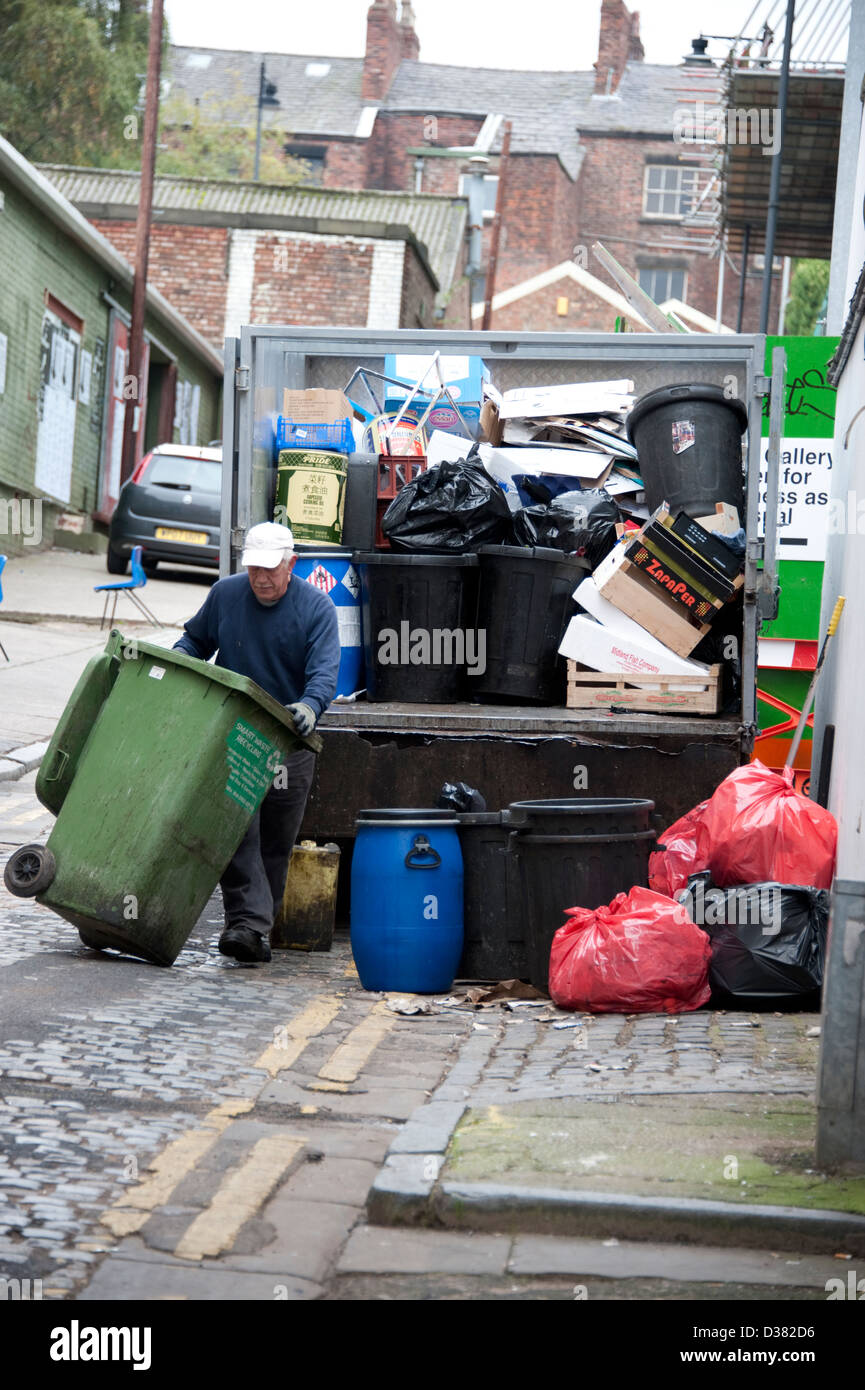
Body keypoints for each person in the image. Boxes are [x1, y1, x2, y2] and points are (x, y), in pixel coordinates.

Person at [173, 521, 340, 963]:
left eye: (270, 569)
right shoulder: (227, 595)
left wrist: (309, 706)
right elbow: (195, 640)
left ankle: (254, 930)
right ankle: (246, 926)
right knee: (236, 830)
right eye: (254, 570)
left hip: (289, 738)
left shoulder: (317, 608)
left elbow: (324, 673)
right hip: (236, 733)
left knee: (275, 842)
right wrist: (178, 661)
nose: (262, 579)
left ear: (292, 565)